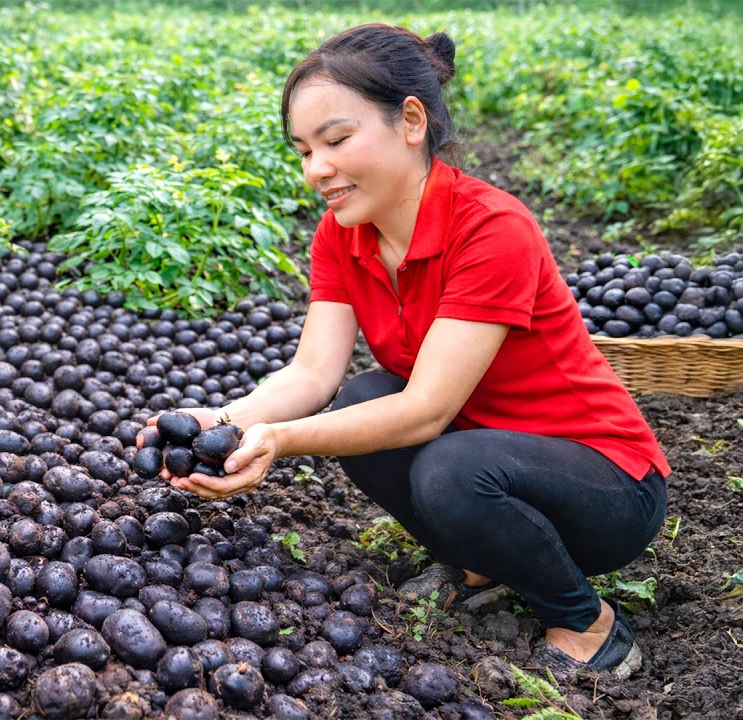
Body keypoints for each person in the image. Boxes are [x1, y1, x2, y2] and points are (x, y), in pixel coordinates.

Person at [148, 23, 669, 679]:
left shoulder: (492, 228)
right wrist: (220, 422)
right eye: (304, 150)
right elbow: (313, 374)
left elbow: (426, 412)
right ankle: (484, 565)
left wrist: (279, 440)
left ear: (412, 121)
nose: (317, 169)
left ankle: (589, 627)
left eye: (336, 140)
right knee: (363, 399)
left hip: (608, 487)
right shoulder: (342, 235)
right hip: (490, 453)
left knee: (444, 463)